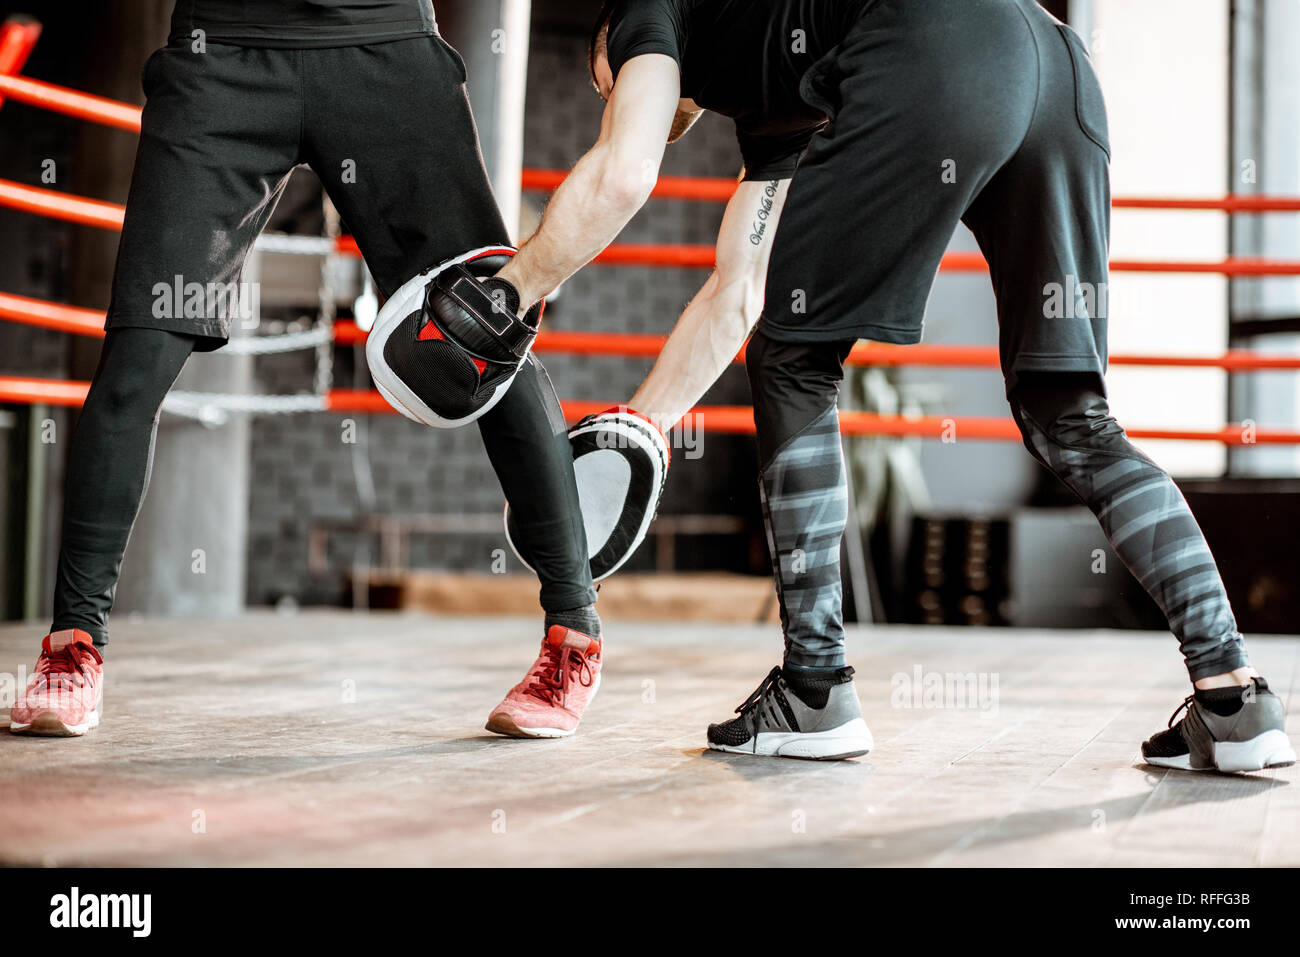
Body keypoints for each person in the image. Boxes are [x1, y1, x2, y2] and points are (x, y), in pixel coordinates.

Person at [491, 0, 1296, 769]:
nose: (613, 91)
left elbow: (624, 172)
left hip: (941, 42)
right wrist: (643, 432)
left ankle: (815, 689)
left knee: (796, 361)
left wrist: (500, 298)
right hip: (1058, 68)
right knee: (1071, 413)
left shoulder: (645, 11)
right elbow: (739, 291)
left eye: (606, 78)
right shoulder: (776, 110)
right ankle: (1233, 699)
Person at [10, 0, 602, 740]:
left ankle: (573, 633)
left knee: (483, 333)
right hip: (221, 52)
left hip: (381, 45)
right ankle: (73, 649)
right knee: (137, 353)